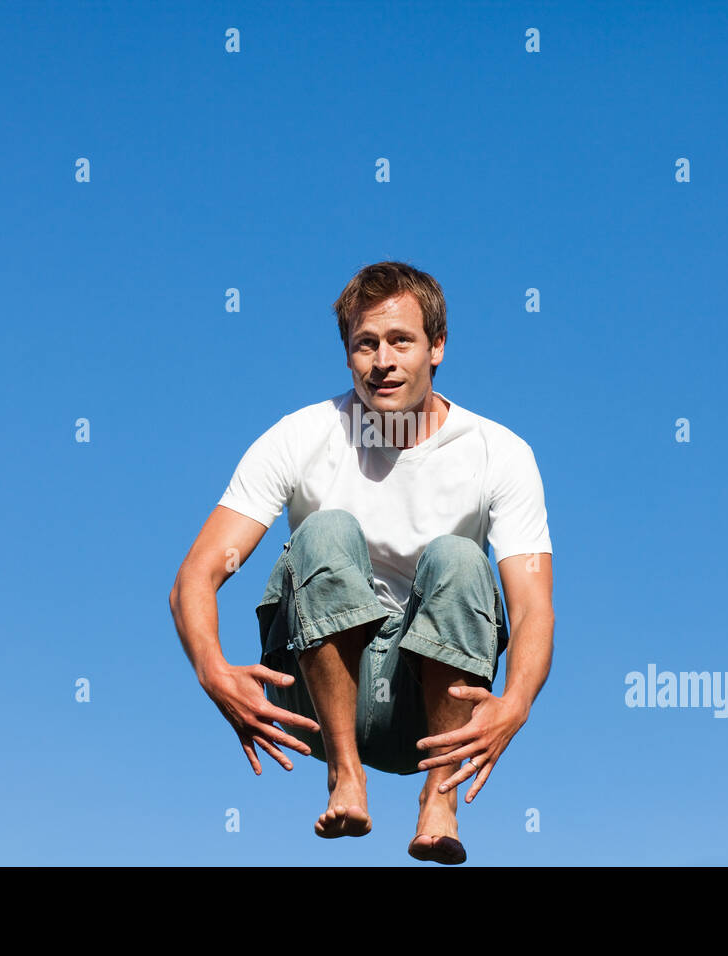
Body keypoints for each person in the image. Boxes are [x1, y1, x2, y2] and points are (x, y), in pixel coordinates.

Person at [169, 261, 555, 864]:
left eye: (401, 340)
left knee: (458, 556)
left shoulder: (499, 453)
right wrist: (213, 670)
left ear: (438, 348)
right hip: (317, 702)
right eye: (365, 344)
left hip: (431, 715)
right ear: (348, 354)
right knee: (325, 530)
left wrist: (518, 701)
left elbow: (532, 606)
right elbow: (197, 573)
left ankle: (439, 797)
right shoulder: (301, 437)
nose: (383, 361)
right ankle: (346, 775)